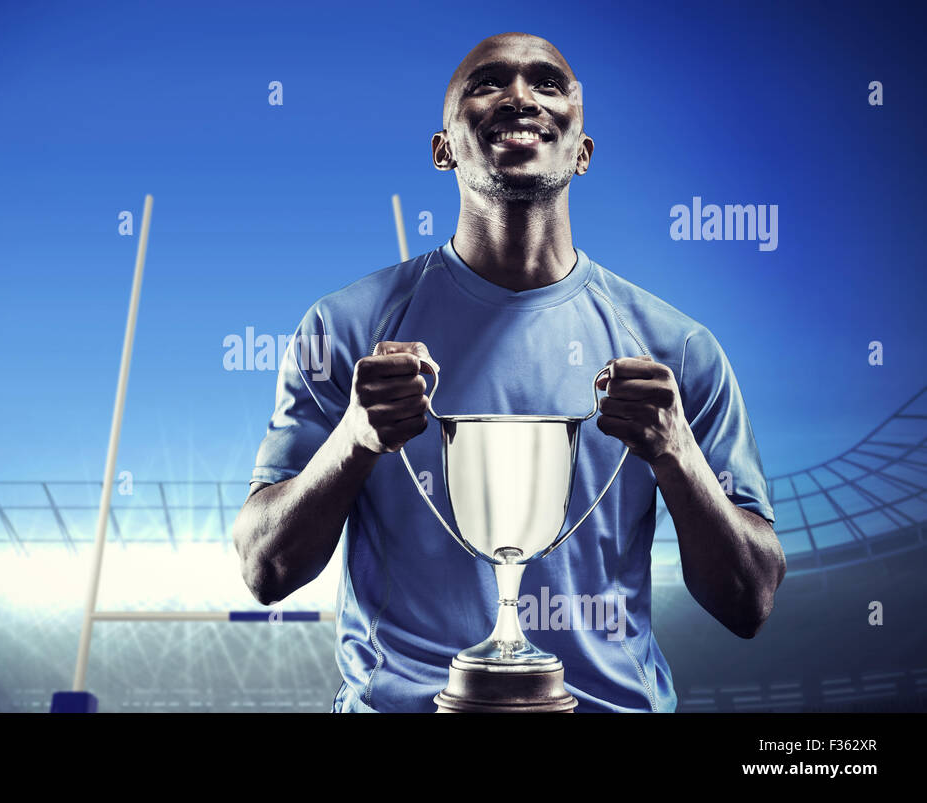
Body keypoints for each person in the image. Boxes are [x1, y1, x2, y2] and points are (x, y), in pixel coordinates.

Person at [232, 32, 785, 712]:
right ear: (443, 148)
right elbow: (265, 569)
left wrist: (677, 454)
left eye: (548, 83)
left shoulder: (678, 349)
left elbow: (750, 600)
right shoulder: (344, 328)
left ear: (583, 152)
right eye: (488, 82)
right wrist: (353, 439)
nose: (521, 96)